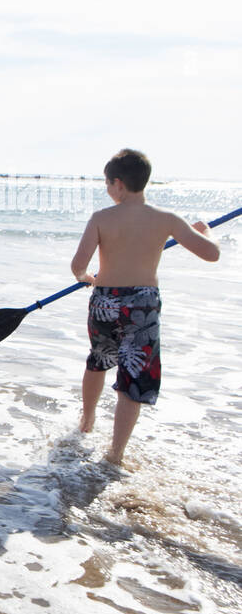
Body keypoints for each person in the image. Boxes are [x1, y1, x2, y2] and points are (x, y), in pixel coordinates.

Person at [71, 148, 220, 465]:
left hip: (105, 302)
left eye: (108, 184)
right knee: (134, 374)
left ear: (119, 184)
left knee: (98, 359)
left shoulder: (101, 218)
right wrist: (205, 232)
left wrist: (87, 277)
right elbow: (211, 254)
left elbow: (77, 267)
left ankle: (86, 422)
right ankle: (115, 454)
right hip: (142, 304)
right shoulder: (165, 219)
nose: (108, 190)